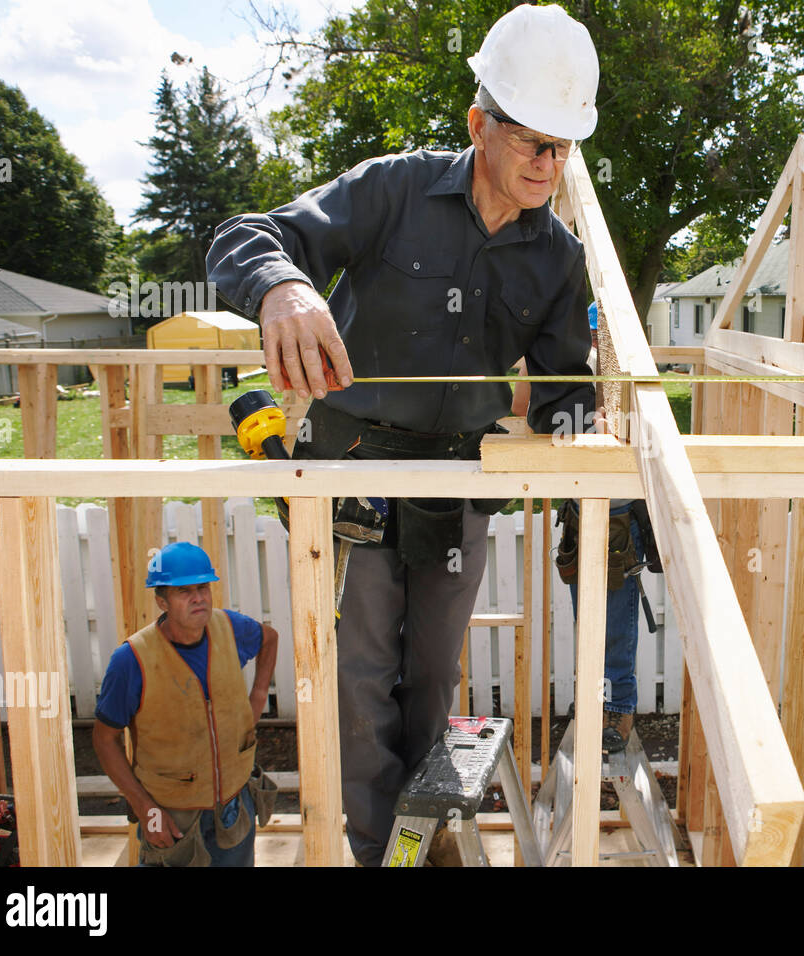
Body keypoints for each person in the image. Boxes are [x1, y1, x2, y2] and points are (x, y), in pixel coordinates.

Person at [205, 3, 602, 866]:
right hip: (352, 469)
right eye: (534, 142)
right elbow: (247, 236)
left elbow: (565, 392)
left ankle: (417, 841)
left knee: (431, 679)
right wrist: (283, 288)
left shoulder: (558, 258)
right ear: (480, 124)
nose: (549, 165)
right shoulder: (394, 190)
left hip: (457, 483)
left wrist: (591, 461)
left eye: (563, 148)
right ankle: (372, 845)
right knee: (360, 678)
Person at [512, 303, 658, 753]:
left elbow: (637, 429)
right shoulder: (570, 364)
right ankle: (595, 706)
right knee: (588, 618)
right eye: (593, 335)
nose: (597, 343)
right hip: (580, 508)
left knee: (613, 620)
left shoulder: (630, 374)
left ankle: (617, 711)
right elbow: (521, 406)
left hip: (618, 515)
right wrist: (524, 359)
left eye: (600, 336)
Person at [93, 542, 279, 866]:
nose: (199, 598)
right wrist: (145, 809)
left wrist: (258, 696)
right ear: (161, 600)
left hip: (233, 806)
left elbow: (269, 638)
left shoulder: (230, 628)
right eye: (184, 591)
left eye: (203, 587)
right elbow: (104, 739)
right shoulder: (132, 659)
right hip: (170, 817)